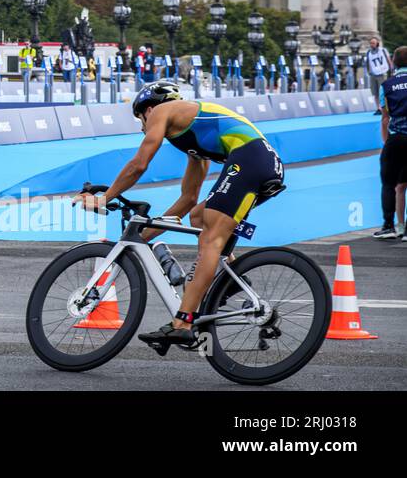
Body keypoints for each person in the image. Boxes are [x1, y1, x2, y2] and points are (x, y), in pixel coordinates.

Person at [76, 80, 285, 350]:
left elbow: (139, 164)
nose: (142, 127)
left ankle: (183, 323)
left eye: (140, 118)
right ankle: (232, 281)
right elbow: (188, 201)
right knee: (200, 216)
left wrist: (104, 198)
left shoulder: (163, 112)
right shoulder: (195, 145)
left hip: (251, 160)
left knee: (211, 237)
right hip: (263, 164)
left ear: (148, 109)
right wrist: (141, 236)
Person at [373, 45, 407, 241]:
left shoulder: (387, 85)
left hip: (396, 139)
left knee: (389, 183)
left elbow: (385, 118)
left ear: (393, 62)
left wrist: (387, 142)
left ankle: (389, 225)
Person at [366, 36, 391, 110]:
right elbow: (368, 63)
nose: (372, 44)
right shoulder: (368, 52)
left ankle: (385, 107)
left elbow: (388, 60)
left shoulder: (383, 50)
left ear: (377, 43)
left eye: (373, 43)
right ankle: (378, 108)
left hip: (382, 73)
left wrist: (391, 70)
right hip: (373, 74)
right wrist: (369, 71)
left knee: (383, 91)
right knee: (375, 93)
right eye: (371, 43)